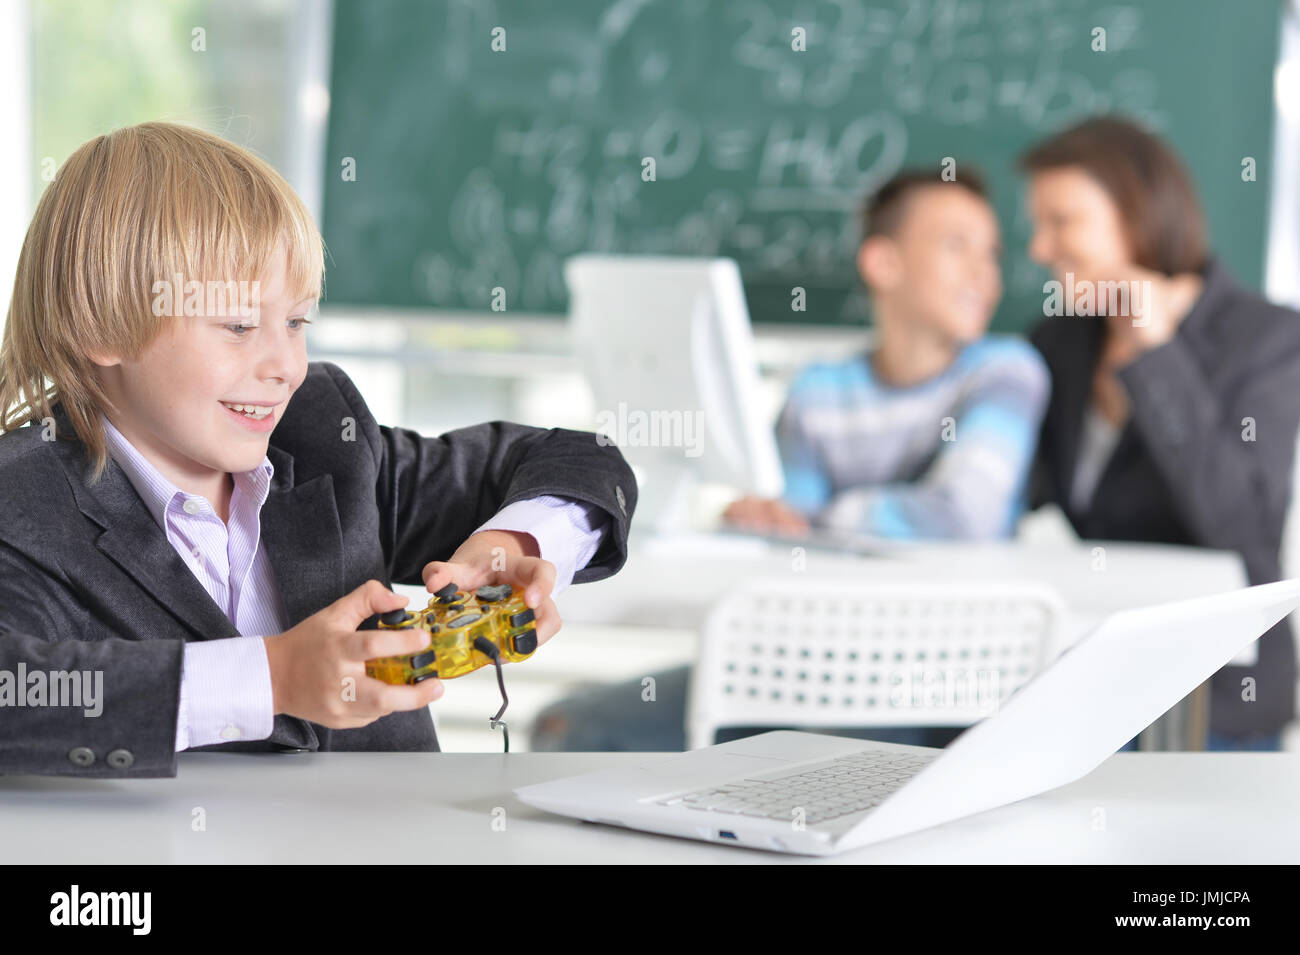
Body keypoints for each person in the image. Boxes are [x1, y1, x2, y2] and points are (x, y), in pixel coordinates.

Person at [0, 122, 636, 776]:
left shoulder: (322, 435)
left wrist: (521, 545)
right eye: (240, 325)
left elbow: (582, 459)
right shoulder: (23, 502)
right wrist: (272, 678)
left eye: (297, 322)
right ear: (101, 325)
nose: (286, 365)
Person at [532, 168, 1050, 752]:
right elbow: (791, 527)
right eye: (957, 247)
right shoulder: (820, 388)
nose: (986, 273)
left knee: (815, 757)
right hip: (810, 659)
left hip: (940, 680)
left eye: (992, 253)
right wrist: (765, 517)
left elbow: (960, 517)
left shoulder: (1007, 371)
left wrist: (814, 521)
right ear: (883, 264)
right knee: (568, 730)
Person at [1021, 115, 1300, 751]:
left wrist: (1152, 346)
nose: (1039, 248)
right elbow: (1014, 494)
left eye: (1061, 222)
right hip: (1087, 682)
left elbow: (1241, 526)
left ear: (1137, 216)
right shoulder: (1059, 339)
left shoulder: (1269, 340)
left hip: (1216, 693)